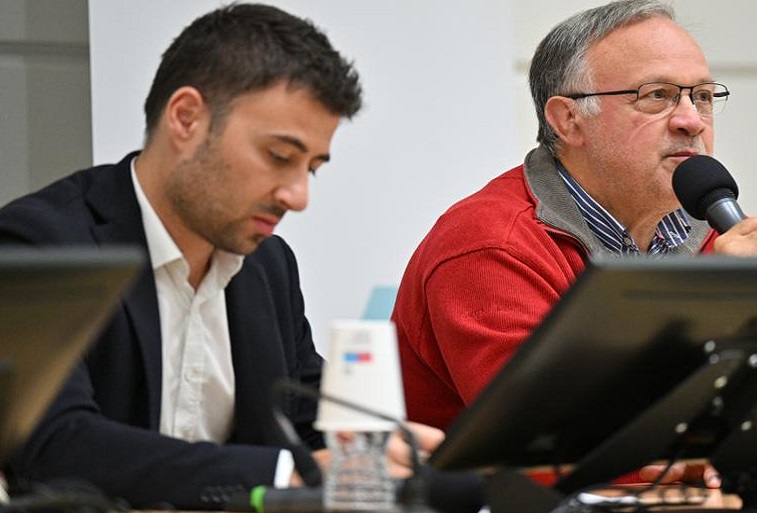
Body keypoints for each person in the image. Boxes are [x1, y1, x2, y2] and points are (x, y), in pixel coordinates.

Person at [392, 0, 757, 486]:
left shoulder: (709, 233)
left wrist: (737, 458)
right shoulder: (492, 246)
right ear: (568, 120)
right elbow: (549, 447)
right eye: (657, 95)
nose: (692, 121)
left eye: (703, 96)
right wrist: (708, 306)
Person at [0, 3, 442, 509]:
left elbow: (308, 418)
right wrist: (286, 474)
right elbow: (57, 445)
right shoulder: (41, 244)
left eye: (312, 168)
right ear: (186, 118)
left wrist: (391, 453)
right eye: (279, 157)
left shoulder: (269, 264)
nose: (298, 196)